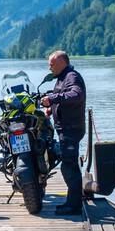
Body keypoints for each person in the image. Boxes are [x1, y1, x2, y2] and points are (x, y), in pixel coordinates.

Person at [40, 50, 87, 217]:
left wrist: (52, 99)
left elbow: (76, 95)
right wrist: (51, 109)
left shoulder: (72, 77)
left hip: (71, 129)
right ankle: (71, 202)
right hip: (66, 128)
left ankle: (74, 206)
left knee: (70, 167)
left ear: (62, 63)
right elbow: (64, 98)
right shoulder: (62, 77)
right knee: (68, 166)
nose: (49, 67)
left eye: (52, 64)